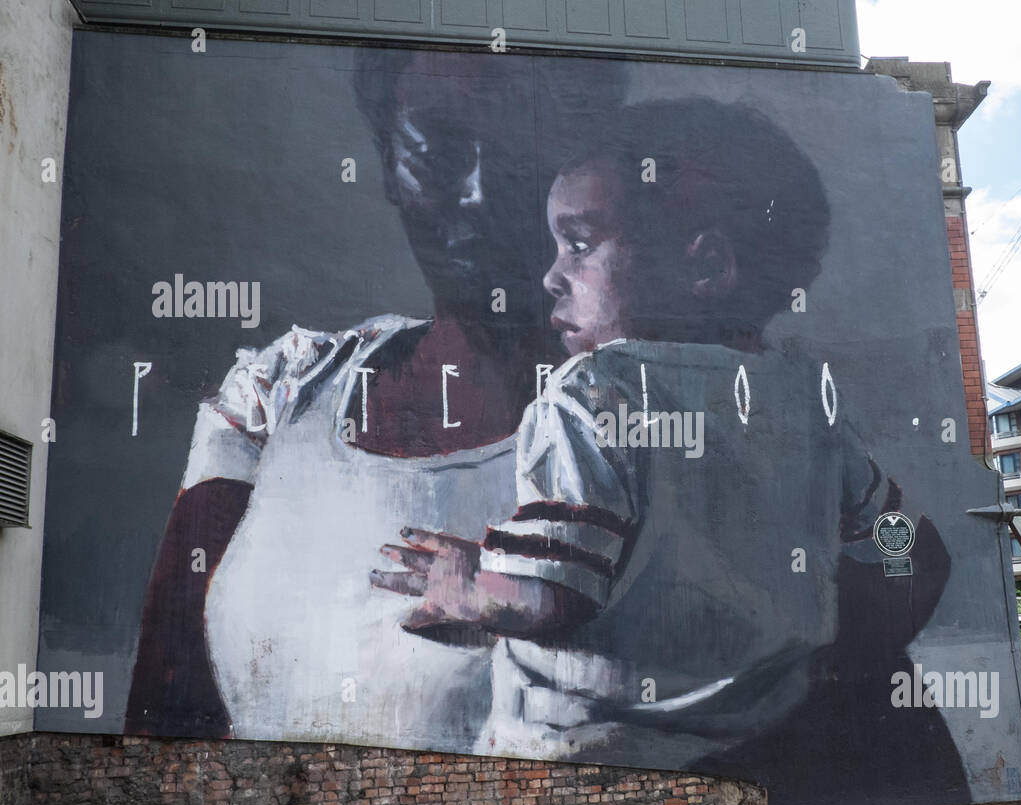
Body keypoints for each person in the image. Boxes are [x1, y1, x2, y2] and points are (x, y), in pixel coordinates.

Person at [370, 98, 940, 770]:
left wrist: (467, 586)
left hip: (591, 754)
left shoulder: (590, 396)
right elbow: (906, 547)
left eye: (579, 245)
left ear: (704, 269)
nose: (551, 276)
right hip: (765, 733)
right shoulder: (805, 402)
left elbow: (550, 595)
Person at [124, 51, 626, 749]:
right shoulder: (279, 396)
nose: (480, 195)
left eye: (518, 154)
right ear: (389, 166)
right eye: (441, 152)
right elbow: (164, 714)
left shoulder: (627, 435)